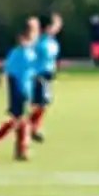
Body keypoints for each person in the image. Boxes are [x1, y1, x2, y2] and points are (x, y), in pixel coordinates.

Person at [0, 22, 39, 161]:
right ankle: (21, 150)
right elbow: (10, 71)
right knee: (21, 121)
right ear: (22, 38)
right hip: (19, 89)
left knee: (18, 121)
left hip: (26, 89)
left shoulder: (28, 52)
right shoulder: (20, 53)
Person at [29, 13, 63, 142]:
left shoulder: (51, 41)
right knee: (40, 104)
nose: (58, 27)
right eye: (56, 24)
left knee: (43, 105)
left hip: (47, 76)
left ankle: (32, 127)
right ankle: (30, 127)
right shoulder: (38, 42)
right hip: (38, 76)